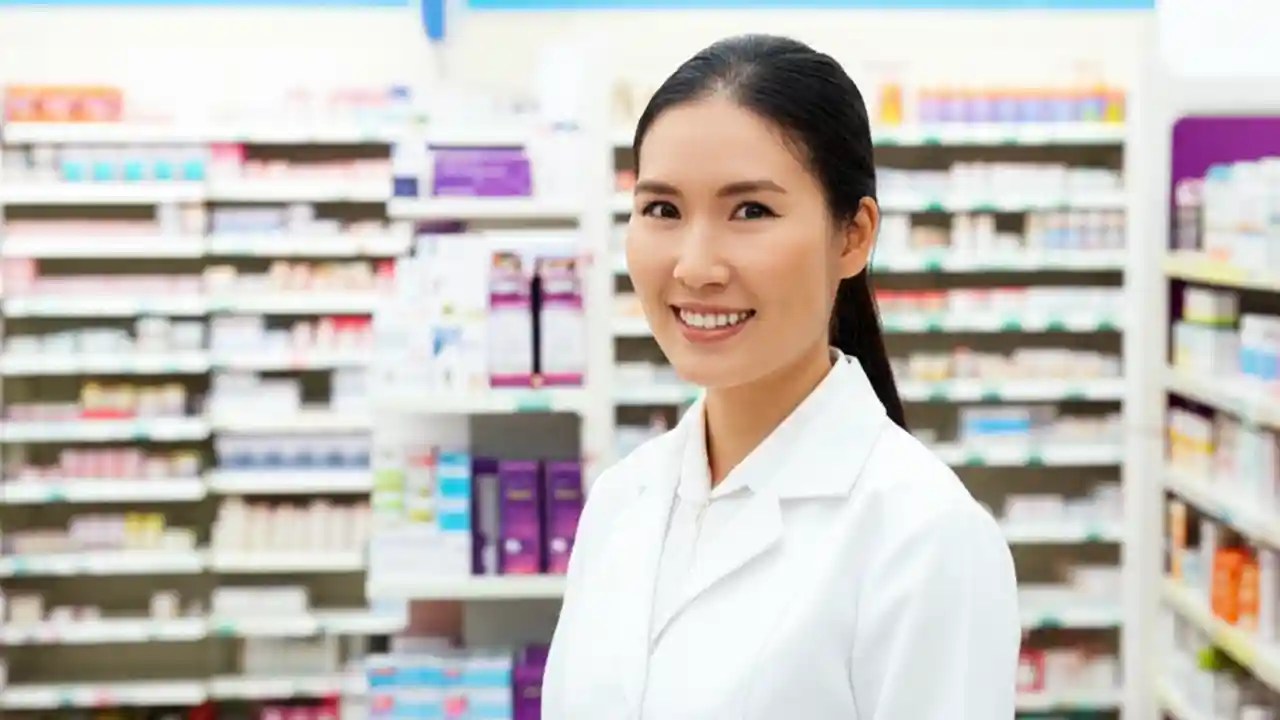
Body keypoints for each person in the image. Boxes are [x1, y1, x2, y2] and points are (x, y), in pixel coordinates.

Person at [542, 34, 1020, 720]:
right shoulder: (622, 501)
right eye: (662, 210)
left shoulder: (926, 537)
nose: (695, 266)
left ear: (853, 236)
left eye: (751, 211)